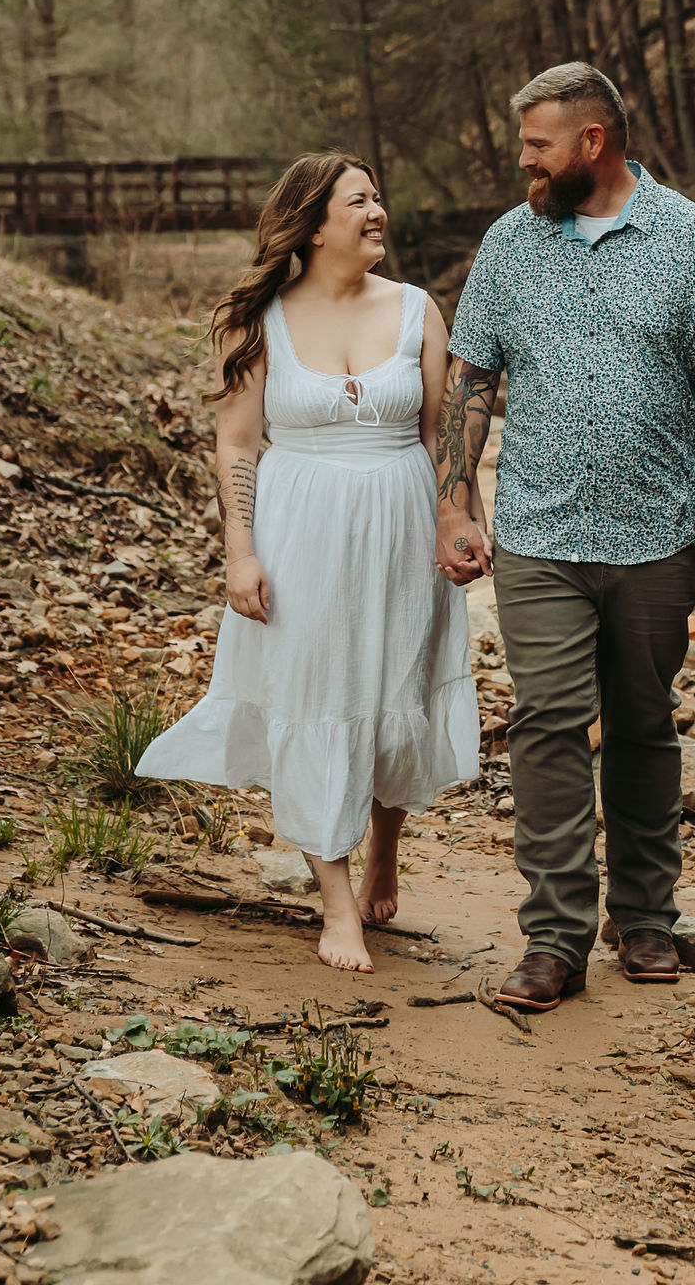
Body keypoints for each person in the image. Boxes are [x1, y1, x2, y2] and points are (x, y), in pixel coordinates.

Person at [433, 62, 695, 1013]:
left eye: (539, 146)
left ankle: (648, 915)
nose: (525, 164)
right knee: (545, 721)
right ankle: (554, 937)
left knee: (639, 720)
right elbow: (470, 381)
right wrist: (457, 507)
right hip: (539, 533)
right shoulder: (509, 243)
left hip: (661, 534)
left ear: (594, 142)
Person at [137, 152, 481, 973]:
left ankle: (384, 854)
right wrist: (241, 554)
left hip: (401, 526)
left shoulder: (417, 310)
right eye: (359, 201)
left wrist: (461, 519)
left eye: (378, 198)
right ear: (314, 223)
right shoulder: (260, 320)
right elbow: (236, 444)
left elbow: (445, 437)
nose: (378, 213)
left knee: (397, 686)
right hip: (301, 534)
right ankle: (335, 904)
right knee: (316, 695)